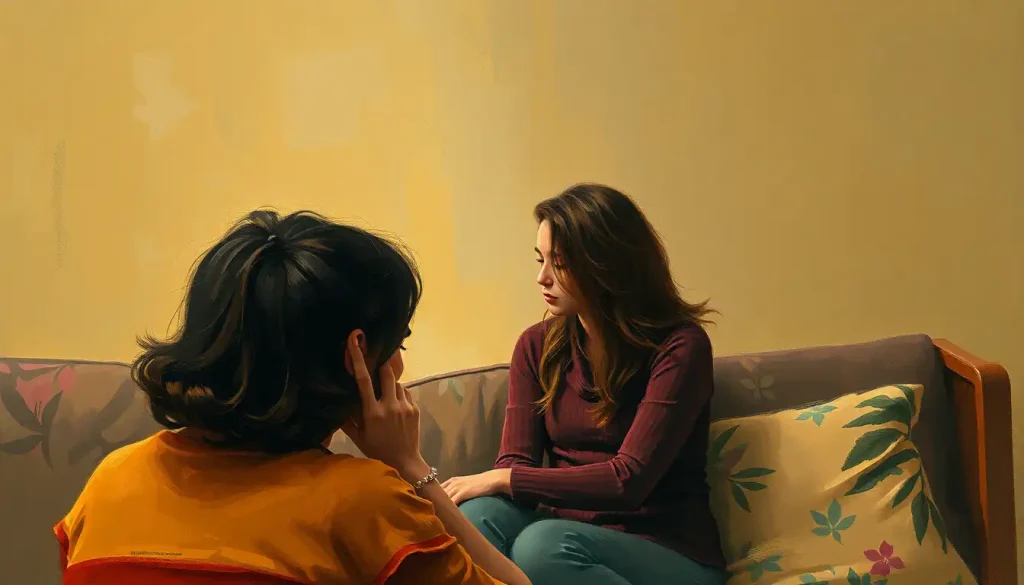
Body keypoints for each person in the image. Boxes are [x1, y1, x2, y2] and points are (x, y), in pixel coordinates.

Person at [53, 210, 531, 585]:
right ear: (358, 352)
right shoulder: (364, 504)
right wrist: (411, 467)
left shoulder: (110, 483)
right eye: (399, 342)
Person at [442, 184, 727, 585]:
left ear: (606, 264)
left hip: (667, 549)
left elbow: (629, 481)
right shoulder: (536, 346)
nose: (542, 278)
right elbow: (516, 462)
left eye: (559, 263)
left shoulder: (680, 347)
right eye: (540, 260)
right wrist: (504, 479)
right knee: (478, 517)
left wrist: (504, 478)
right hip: (566, 534)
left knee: (542, 546)